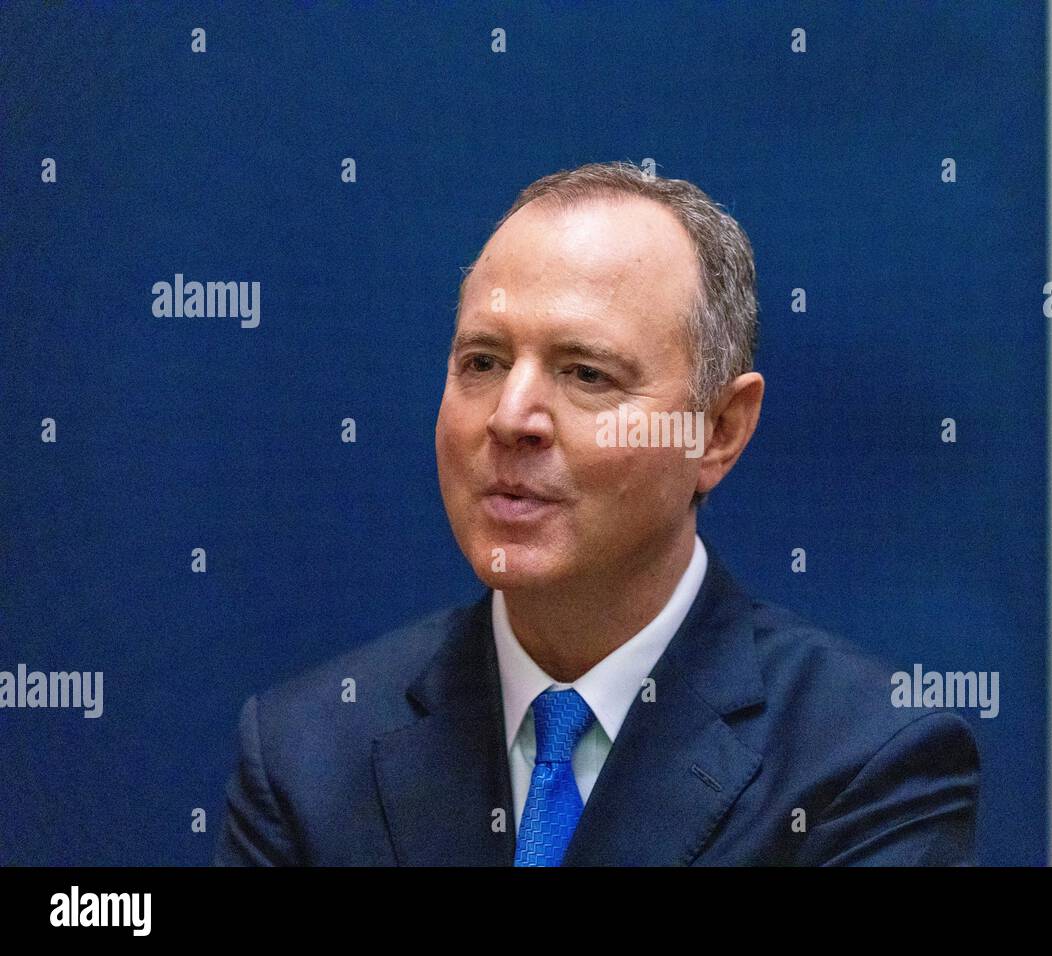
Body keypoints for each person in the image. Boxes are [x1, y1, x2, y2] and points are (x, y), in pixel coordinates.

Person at [213, 160, 979, 866]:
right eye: (482, 362)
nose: (511, 418)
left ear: (718, 431)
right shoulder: (304, 757)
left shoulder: (866, 761)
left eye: (586, 373)